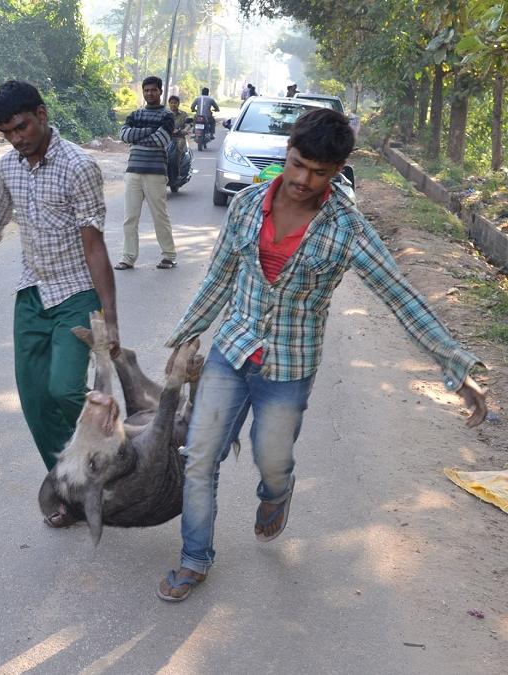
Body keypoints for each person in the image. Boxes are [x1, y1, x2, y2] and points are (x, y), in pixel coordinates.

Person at [155, 108, 488, 602]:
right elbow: (218, 279)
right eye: (297, 164)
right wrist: (187, 336)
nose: (303, 180)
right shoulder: (246, 205)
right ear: (287, 153)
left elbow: (401, 296)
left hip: (288, 369)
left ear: (337, 173)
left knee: (273, 461)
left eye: (319, 173)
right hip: (232, 351)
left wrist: (455, 367)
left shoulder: (347, 229)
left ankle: (276, 494)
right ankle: (194, 558)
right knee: (201, 457)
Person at [0, 80, 121, 528]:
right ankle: (69, 488)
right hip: (32, 291)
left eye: (22, 126)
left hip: (75, 291)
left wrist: (109, 319)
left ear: (42, 114)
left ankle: (109, 447)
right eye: (6, 132)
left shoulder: (78, 167)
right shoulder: (9, 168)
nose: (16, 138)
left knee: (64, 390)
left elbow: (94, 247)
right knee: (33, 399)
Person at [116, 75, 177, 270]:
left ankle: (169, 256)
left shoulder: (167, 116)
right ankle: (128, 258)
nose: (150, 93)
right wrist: (149, 131)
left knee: (160, 216)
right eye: (146, 90)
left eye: (153, 90)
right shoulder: (134, 114)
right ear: (143, 92)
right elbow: (124, 135)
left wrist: (137, 136)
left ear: (160, 91)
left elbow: (161, 140)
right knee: (130, 218)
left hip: (156, 173)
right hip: (133, 172)